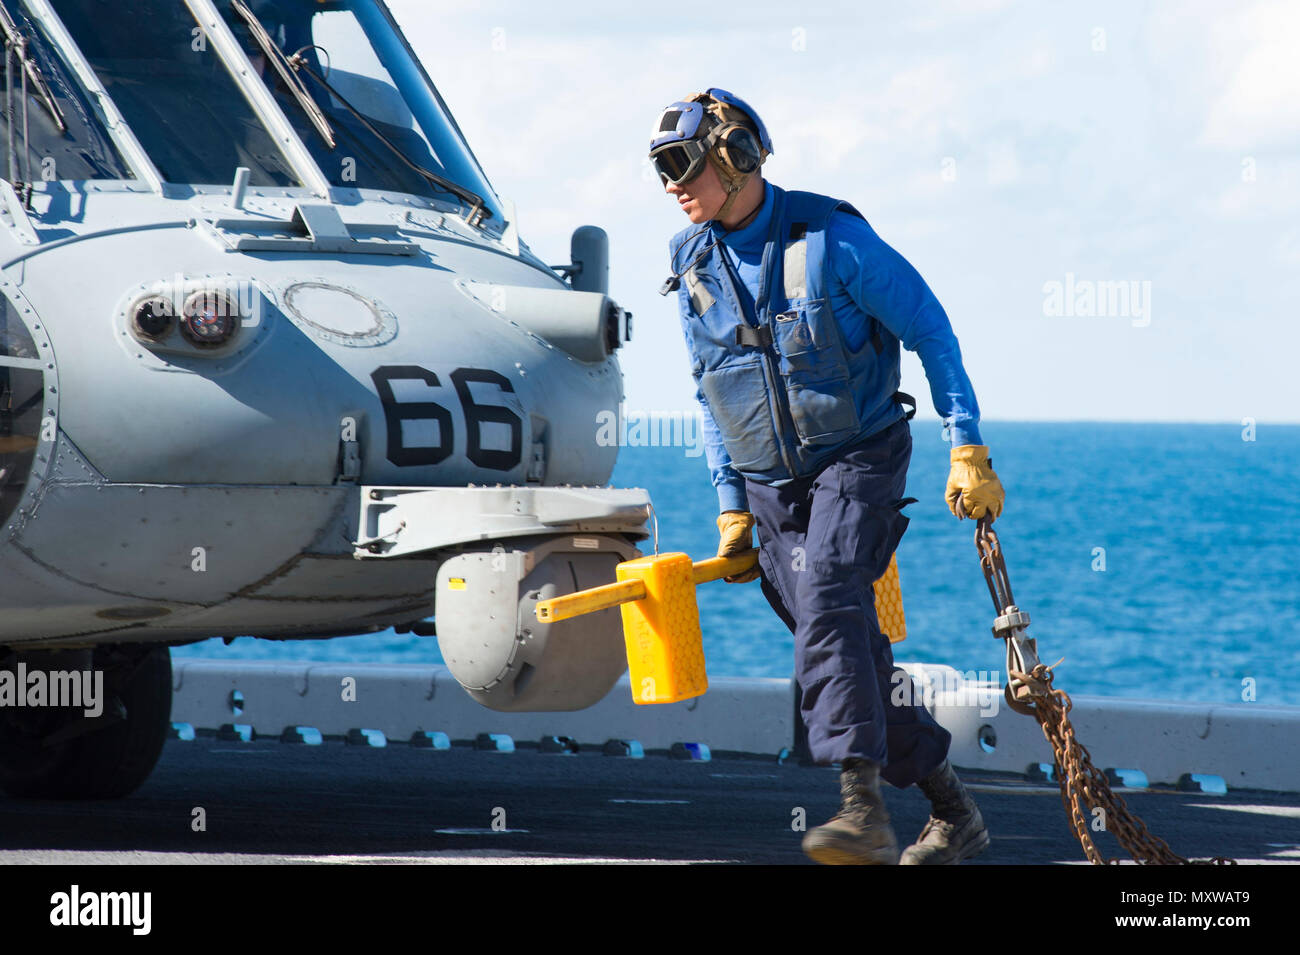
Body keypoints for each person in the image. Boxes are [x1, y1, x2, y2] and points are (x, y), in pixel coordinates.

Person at [649, 89, 1006, 865]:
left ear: (735, 158)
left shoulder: (832, 241)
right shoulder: (692, 261)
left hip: (859, 457)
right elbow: (709, 389)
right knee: (846, 647)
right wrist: (730, 507)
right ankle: (954, 812)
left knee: (832, 601)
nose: (672, 185)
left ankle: (861, 810)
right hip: (770, 490)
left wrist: (966, 446)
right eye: (661, 171)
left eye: (682, 165)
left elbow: (930, 328)